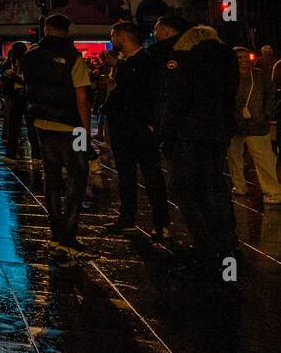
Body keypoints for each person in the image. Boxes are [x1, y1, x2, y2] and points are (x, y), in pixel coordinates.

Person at [162, 25, 239, 272]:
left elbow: (178, 100)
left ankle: (204, 244)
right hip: (217, 132)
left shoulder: (187, 61)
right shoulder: (227, 61)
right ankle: (226, 241)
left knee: (187, 189)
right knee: (214, 185)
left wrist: (166, 133)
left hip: (189, 133)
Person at [22, 14, 92, 258]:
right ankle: (68, 237)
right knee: (77, 178)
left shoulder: (30, 55)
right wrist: (86, 131)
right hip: (71, 127)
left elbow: (27, 88)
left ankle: (55, 234)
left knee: (51, 180)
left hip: (42, 124)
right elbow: (82, 99)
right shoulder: (73, 57)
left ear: (46, 28)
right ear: (66, 30)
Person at [102, 21, 171, 237]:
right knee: (126, 175)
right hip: (125, 128)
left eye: (114, 36)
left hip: (139, 127)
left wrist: (151, 124)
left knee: (151, 176)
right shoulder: (127, 63)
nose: (112, 41)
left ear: (123, 37)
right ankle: (128, 217)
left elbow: (150, 95)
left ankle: (160, 222)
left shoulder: (145, 62)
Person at [228, 47, 280, 205]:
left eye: (245, 57)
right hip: (234, 123)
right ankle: (239, 186)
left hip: (256, 122)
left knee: (264, 157)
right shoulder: (227, 76)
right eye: (239, 58)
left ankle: (273, 190)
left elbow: (271, 92)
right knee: (234, 156)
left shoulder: (259, 75)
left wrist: (266, 112)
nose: (243, 61)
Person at [0, 42, 31, 160]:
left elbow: (25, 80)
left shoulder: (26, 63)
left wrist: (13, 75)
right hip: (16, 95)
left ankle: (36, 155)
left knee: (28, 126)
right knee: (13, 126)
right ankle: (11, 154)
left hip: (24, 96)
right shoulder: (13, 63)